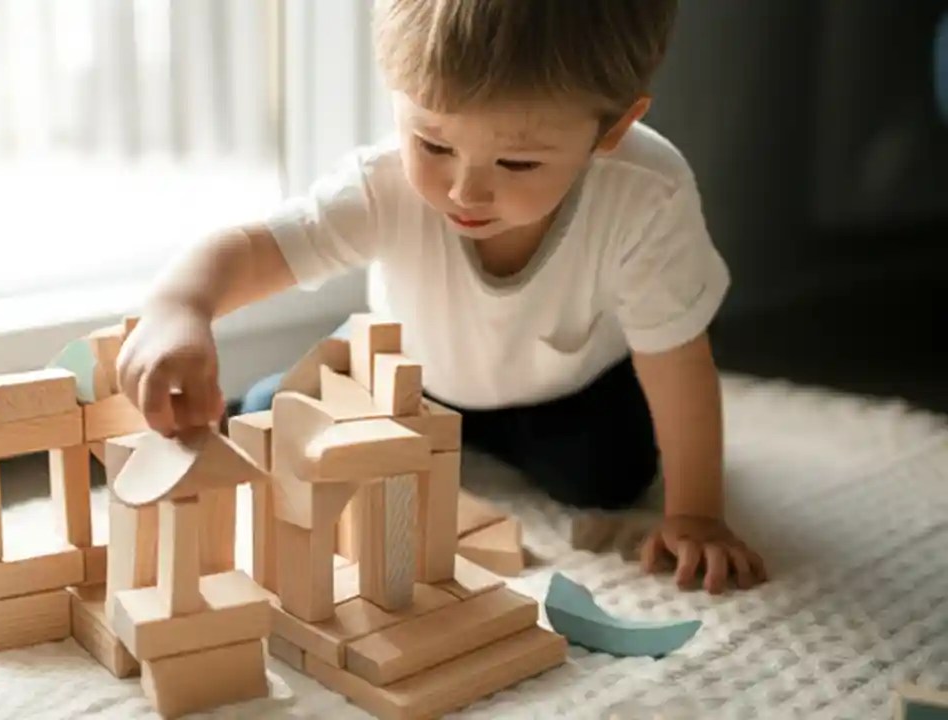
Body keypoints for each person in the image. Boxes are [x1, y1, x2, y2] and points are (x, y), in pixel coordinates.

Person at [115, 0, 768, 595]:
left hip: (569, 387)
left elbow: (676, 358)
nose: (465, 192)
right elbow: (259, 248)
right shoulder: (384, 183)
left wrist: (696, 514)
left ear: (613, 129)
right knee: (276, 418)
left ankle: (496, 441)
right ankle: (334, 407)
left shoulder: (646, 194)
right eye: (434, 143)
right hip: (410, 372)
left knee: (612, 478)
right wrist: (181, 305)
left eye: (517, 165)